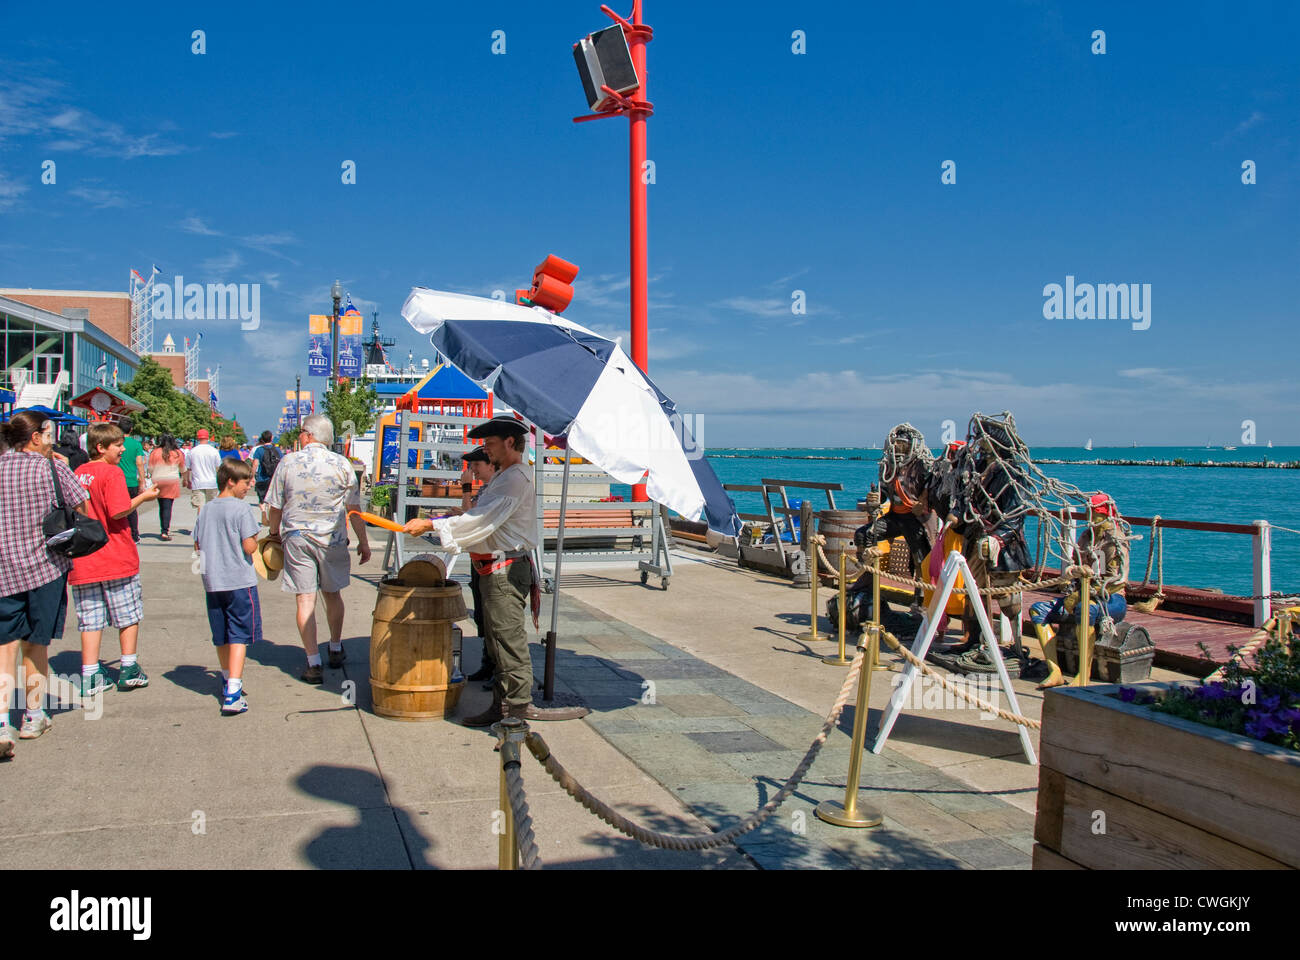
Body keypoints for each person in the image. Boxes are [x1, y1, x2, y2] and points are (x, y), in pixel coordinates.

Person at [403, 415, 540, 726]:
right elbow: (478, 515)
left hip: (504, 568)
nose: (486, 451)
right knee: (496, 641)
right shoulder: (506, 475)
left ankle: (516, 715)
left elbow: (482, 518)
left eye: (490, 444)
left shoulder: (516, 477)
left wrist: (431, 523)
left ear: (509, 442)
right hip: (494, 567)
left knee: (508, 642)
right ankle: (502, 707)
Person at [0, 412, 90, 755]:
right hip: (45, 568)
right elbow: (81, 506)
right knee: (35, 643)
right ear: (35, 437)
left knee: (4, 644)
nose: (52, 439)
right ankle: (33, 716)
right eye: (48, 434)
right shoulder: (51, 467)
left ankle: (1, 722)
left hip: (3, 569)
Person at [264, 414, 371, 684]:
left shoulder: (288, 462)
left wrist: (274, 534)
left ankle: (313, 662)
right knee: (332, 595)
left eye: (301, 432)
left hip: (297, 537)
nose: (300, 436)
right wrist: (363, 541)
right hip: (332, 539)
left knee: (305, 599)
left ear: (309, 435)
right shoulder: (342, 464)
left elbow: (275, 506)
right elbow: (354, 508)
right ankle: (335, 646)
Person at [71, 422, 160, 695]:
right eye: (118, 445)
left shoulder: (78, 472)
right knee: (127, 615)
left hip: (83, 556)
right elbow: (119, 511)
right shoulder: (112, 473)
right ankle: (129, 668)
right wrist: (144, 496)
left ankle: (89, 674)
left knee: (90, 618)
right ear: (101, 447)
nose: (123, 449)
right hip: (115, 553)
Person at [1029, 492, 1130, 687]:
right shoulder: (1086, 537)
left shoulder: (1115, 540)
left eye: (1094, 512)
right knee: (1038, 610)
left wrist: (1084, 593)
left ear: (1104, 514)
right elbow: (1075, 564)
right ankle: (1055, 671)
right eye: (1088, 512)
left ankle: (1084, 674)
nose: (1089, 516)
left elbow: (1118, 580)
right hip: (1080, 594)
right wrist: (1070, 576)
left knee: (1086, 609)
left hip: (1112, 600)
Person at [193, 458, 262, 715]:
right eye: (246, 481)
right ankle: (234, 691)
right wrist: (256, 537)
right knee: (239, 635)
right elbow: (249, 547)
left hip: (213, 581)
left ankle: (225, 678)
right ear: (231, 481)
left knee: (220, 634)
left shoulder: (206, 509)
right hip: (239, 581)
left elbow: (197, 546)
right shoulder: (241, 510)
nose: (249, 486)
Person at [452, 447, 498, 683]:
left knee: (493, 617)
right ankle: (487, 662)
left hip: (493, 560)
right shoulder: (486, 490)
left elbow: (473, 520)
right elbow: (471, 516)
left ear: (490, 465)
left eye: (476, 466)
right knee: (482, 614)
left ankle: (495, 667)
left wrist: (466, 489)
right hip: (479, 558)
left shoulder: (495, 490)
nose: (473, 471)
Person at [148, 434, 188, 540]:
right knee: (167, 506)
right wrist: (185, 479)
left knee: (162, 506)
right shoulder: (177, 453)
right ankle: (165, 531)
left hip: (158, 481)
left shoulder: (155, 452)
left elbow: (150, 469)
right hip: (171, 481)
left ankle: (163, 528)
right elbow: (183, 469)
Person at [118, 416, 148, 544]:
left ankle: (120, 534)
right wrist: (142, 481)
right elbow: (139, 463)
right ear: (131, 429)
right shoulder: (136, 444)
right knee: (132, 509)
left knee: (118, 509)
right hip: (131, 481)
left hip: (118, 481)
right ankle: (134, 535)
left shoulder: (115, 443)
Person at [187, 428, 222, 515]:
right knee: (211, 506)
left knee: (200, 506)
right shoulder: (214, 451)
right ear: (208, 438)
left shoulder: (192, 451)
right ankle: (210, 526)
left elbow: (188, 468)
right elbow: (218, 467)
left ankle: (201, 526)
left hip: (198, 482)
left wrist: (187, 480)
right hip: (212, 482)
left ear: (198, 438)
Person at [251, 430, 282, 504]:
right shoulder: (277, 449)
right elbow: (282, 463)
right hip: (274, 478)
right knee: (272, 501)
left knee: (262, 501)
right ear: (271, 438)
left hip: (262, 478)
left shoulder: (259, 450)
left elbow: (255, 464)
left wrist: (252, 476)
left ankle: (264, 512)